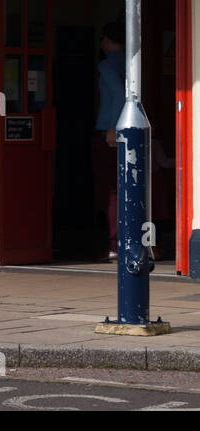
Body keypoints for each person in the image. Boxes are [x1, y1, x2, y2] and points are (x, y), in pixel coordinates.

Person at [92, 19, 126, 259]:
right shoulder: (134, 62)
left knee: (110, 189)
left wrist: (113, 128)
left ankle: (115, 244)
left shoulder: (106, 66)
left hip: (108, 132)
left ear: (107, 39)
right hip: (132, 131)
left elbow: (118, 94)